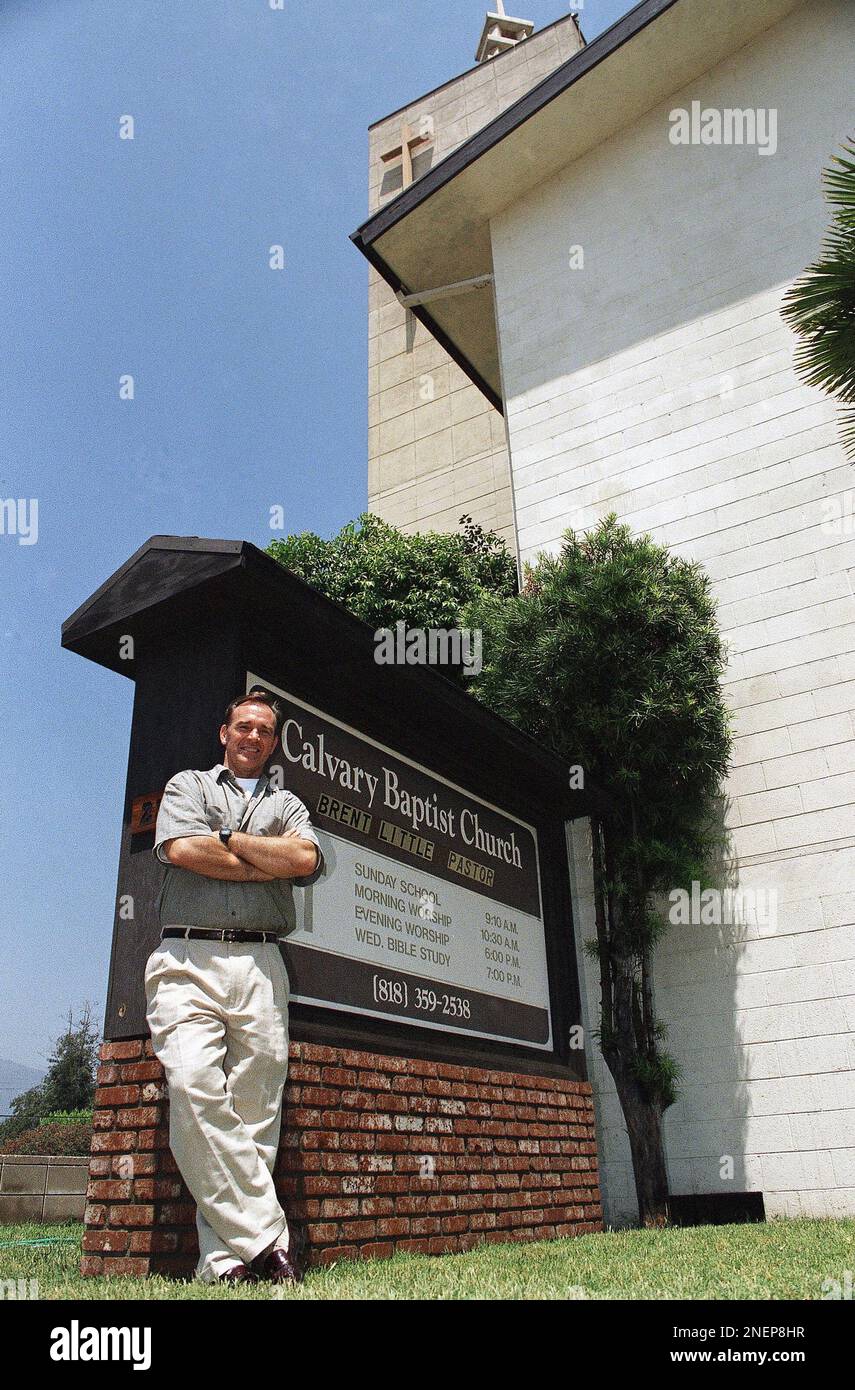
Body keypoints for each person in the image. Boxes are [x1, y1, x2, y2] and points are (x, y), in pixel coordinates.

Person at [144, 687, 324, 1285]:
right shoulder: (188, 786)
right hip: (185, 958)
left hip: (262, 964)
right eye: (243, 726)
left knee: (254, 1114)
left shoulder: (289, 803)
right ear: (225, 733)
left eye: (264, 731)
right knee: (192, 1085)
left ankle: (223, 1263)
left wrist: (230, 842)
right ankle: (269, 1239)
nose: (252, 737)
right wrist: (260, 861)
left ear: (274, 743)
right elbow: (180, 847)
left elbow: (302, 860)